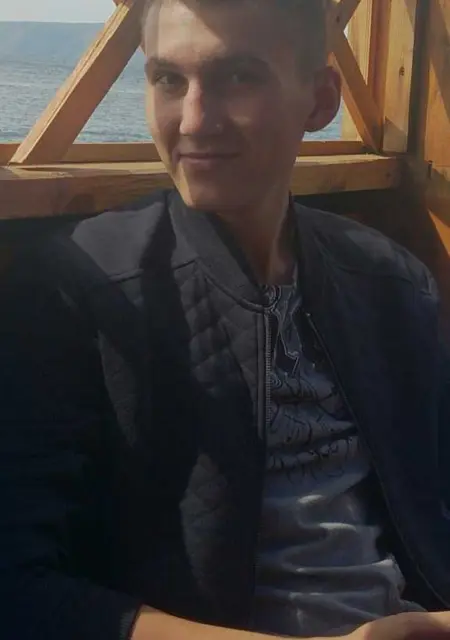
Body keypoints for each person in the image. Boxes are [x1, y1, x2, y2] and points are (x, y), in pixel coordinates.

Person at [1, 0, 450, 639]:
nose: (194, 121)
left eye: (238, 77)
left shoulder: (390, 283)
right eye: (168, 79)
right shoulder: (79, 291)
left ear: (321, 100)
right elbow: (18, 587)